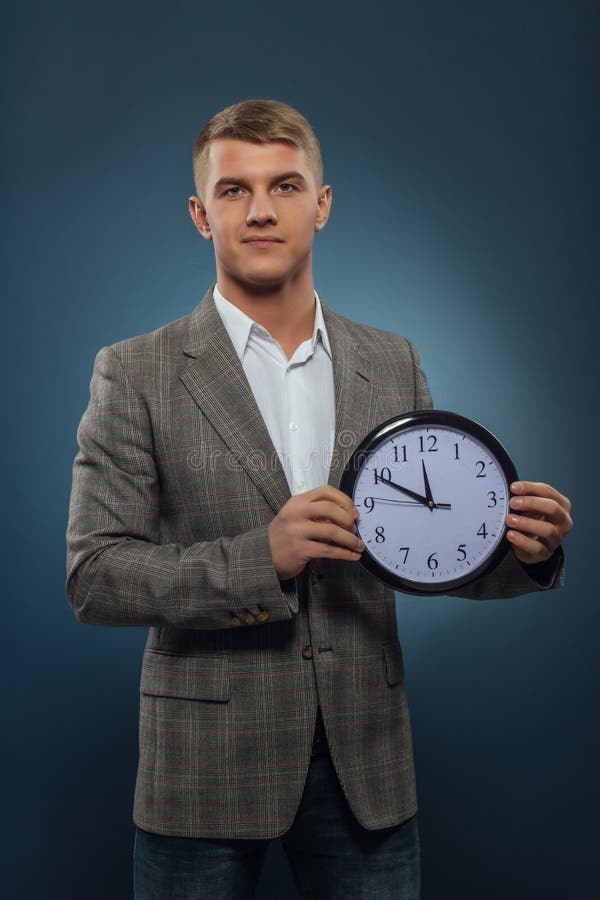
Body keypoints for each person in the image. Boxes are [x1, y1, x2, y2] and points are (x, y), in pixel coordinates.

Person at [65, 99, 573, 900]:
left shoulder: (392, 360)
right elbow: (95, 576)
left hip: (366, 767)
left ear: (321, 205)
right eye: (234, 190)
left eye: (285, 185)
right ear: (201, 215)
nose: (261, 209)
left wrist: (522, 552)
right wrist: (258, 559)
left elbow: (427, 551)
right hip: (204, 771)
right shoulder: (135, 371)